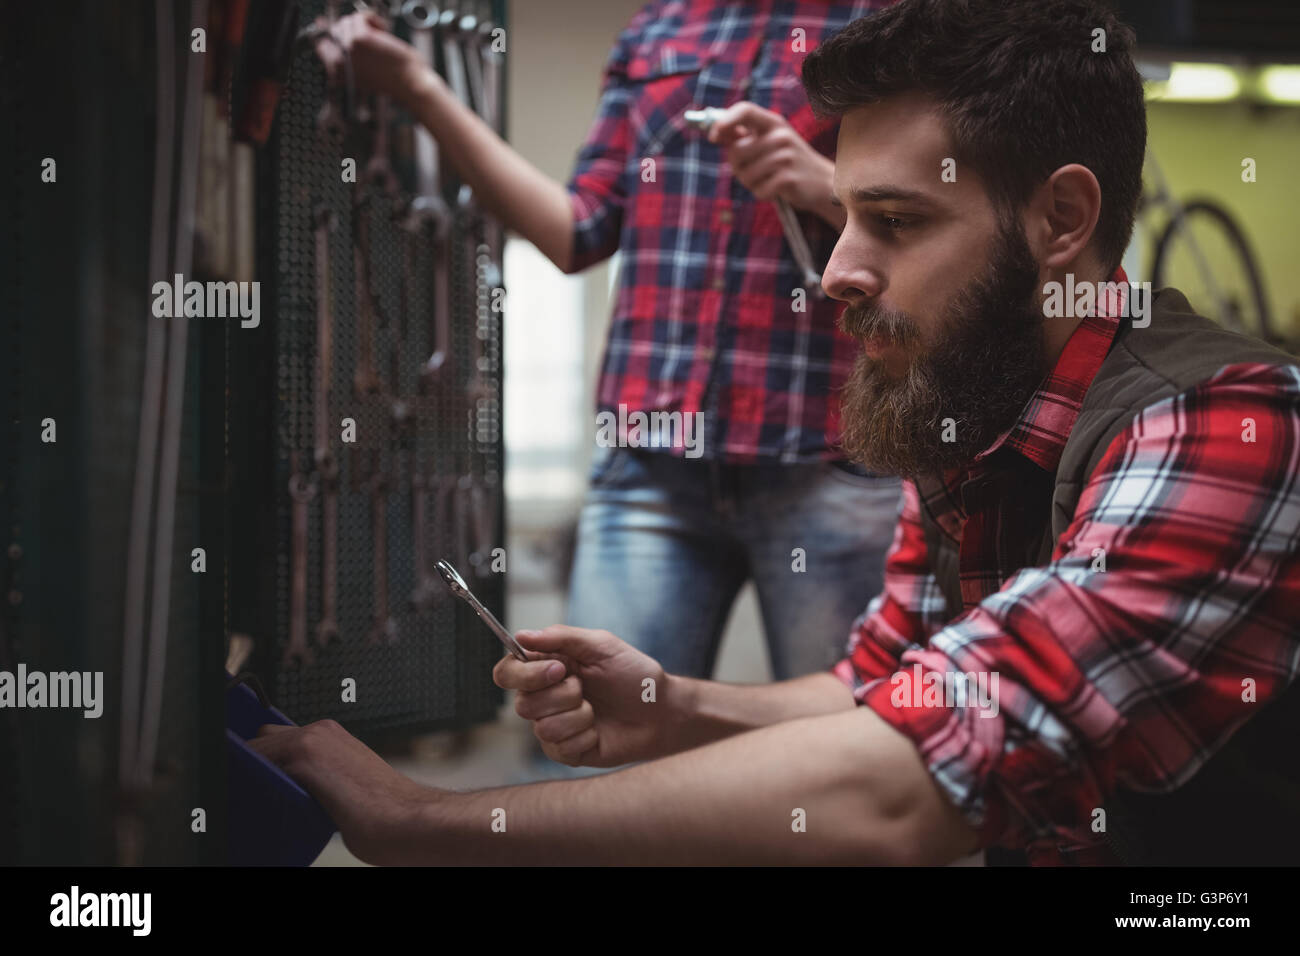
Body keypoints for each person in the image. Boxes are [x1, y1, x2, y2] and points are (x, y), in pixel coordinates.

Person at [258, 0, 1300, 865]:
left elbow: (903, 781)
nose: (837, 269)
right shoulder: (965, 405)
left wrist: (427, 823)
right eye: (839, 213)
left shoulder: (1219, 422)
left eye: (893, 221)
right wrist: (675, 705)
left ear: (1061, 222)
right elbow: (880, 686)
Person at [316, 1, 902, 694]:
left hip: (832, 463)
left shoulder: (891, 25)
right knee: (604, 741)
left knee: (840, 753)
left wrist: (824, 189)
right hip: (650, 471)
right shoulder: (659, 29)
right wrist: (420, 88)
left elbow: (941, 223)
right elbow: (577, 231)